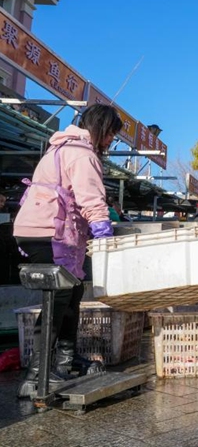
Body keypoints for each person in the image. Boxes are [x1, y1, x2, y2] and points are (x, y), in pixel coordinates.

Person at [13, 103, 118, 398]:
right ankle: (37, 374)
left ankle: (65, 361)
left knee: (72, 292)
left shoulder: (59, 147)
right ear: (99, 128)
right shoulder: (82, 154)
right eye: (110, 133)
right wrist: (103, 230)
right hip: (49, 231)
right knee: (57, 297)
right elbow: (90, 197)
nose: (111, 140)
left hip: (39, 230)